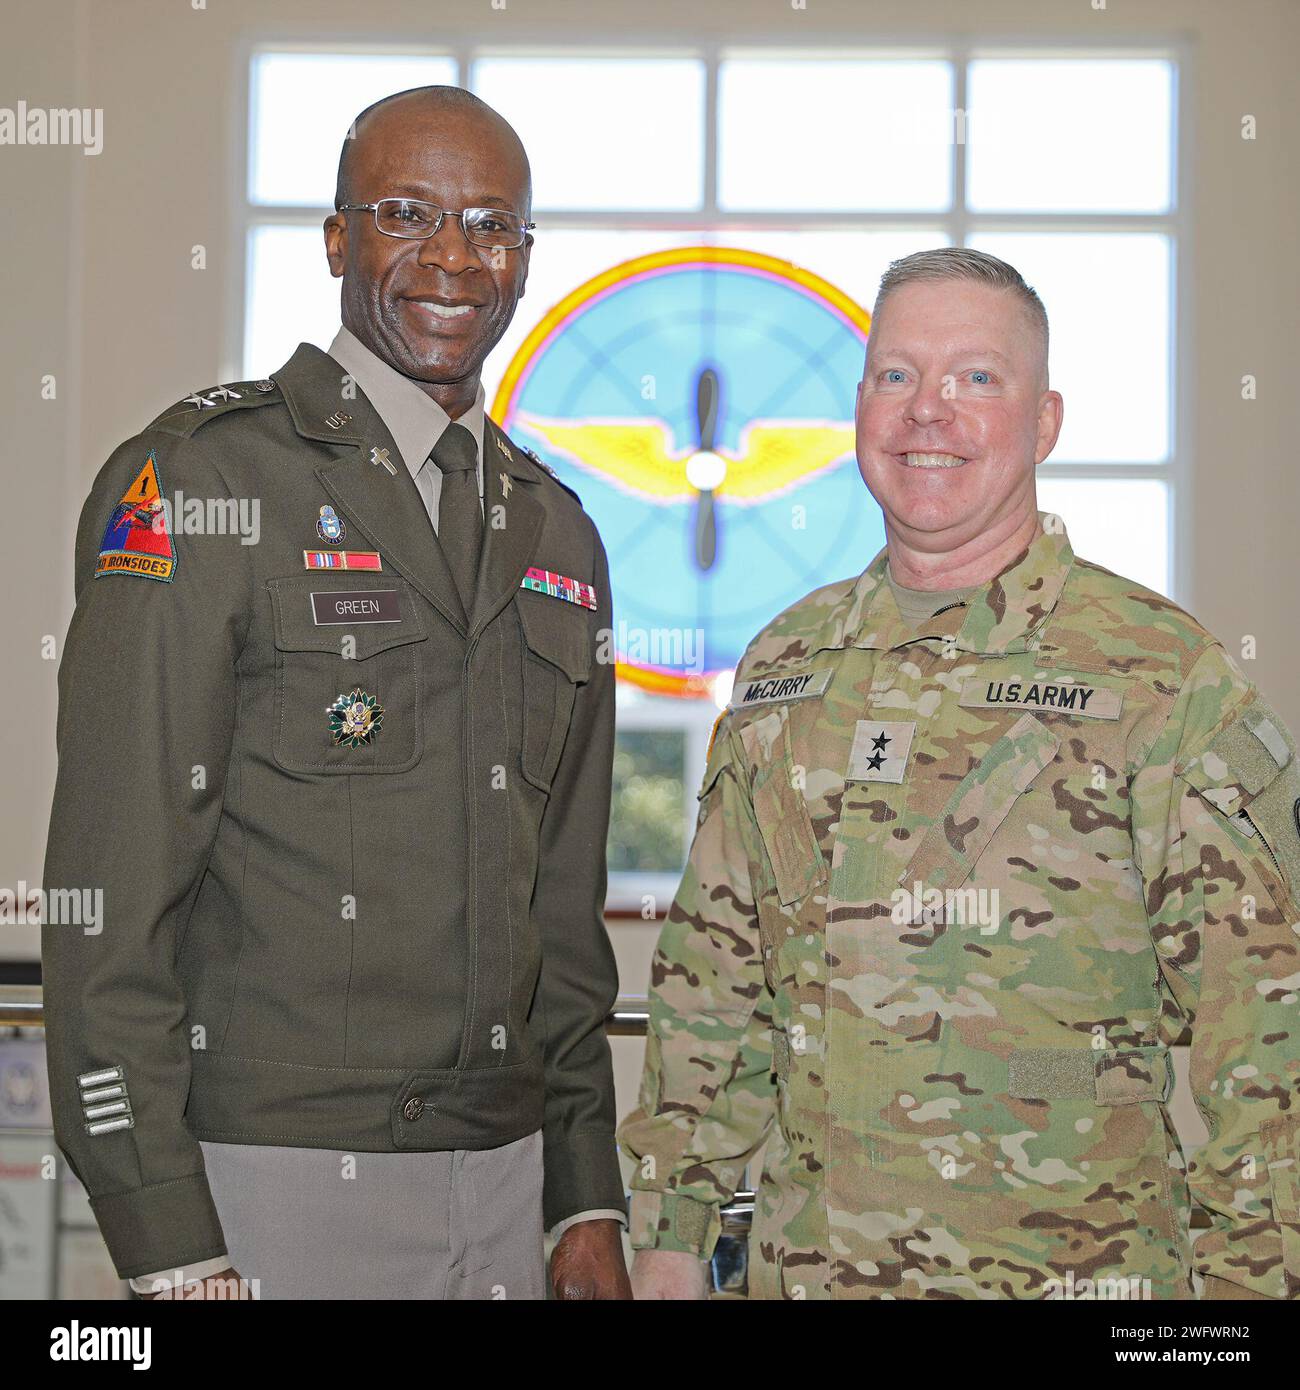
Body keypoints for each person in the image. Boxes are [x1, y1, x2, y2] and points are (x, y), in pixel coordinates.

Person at [618, 247, 1300, 1301]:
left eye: (976, 378)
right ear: (859, 408)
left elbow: (1268, 1040)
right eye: (897, 376)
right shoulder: (782, 674)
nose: (926, 411)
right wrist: (668, 1238)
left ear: (1044, 423)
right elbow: (716, 984)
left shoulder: (1160, 677)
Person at [42, 85, 630, 1301]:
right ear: (334, 238)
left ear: (525, 257)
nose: (453, 258)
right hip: (269, 1184)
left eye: (491, 225)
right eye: (406, 214)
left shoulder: (559, 534)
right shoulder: (206, 484)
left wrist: (585, 1191)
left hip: (512, 1183)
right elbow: (109, 901)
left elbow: (565, 922)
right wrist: (165, 1237)